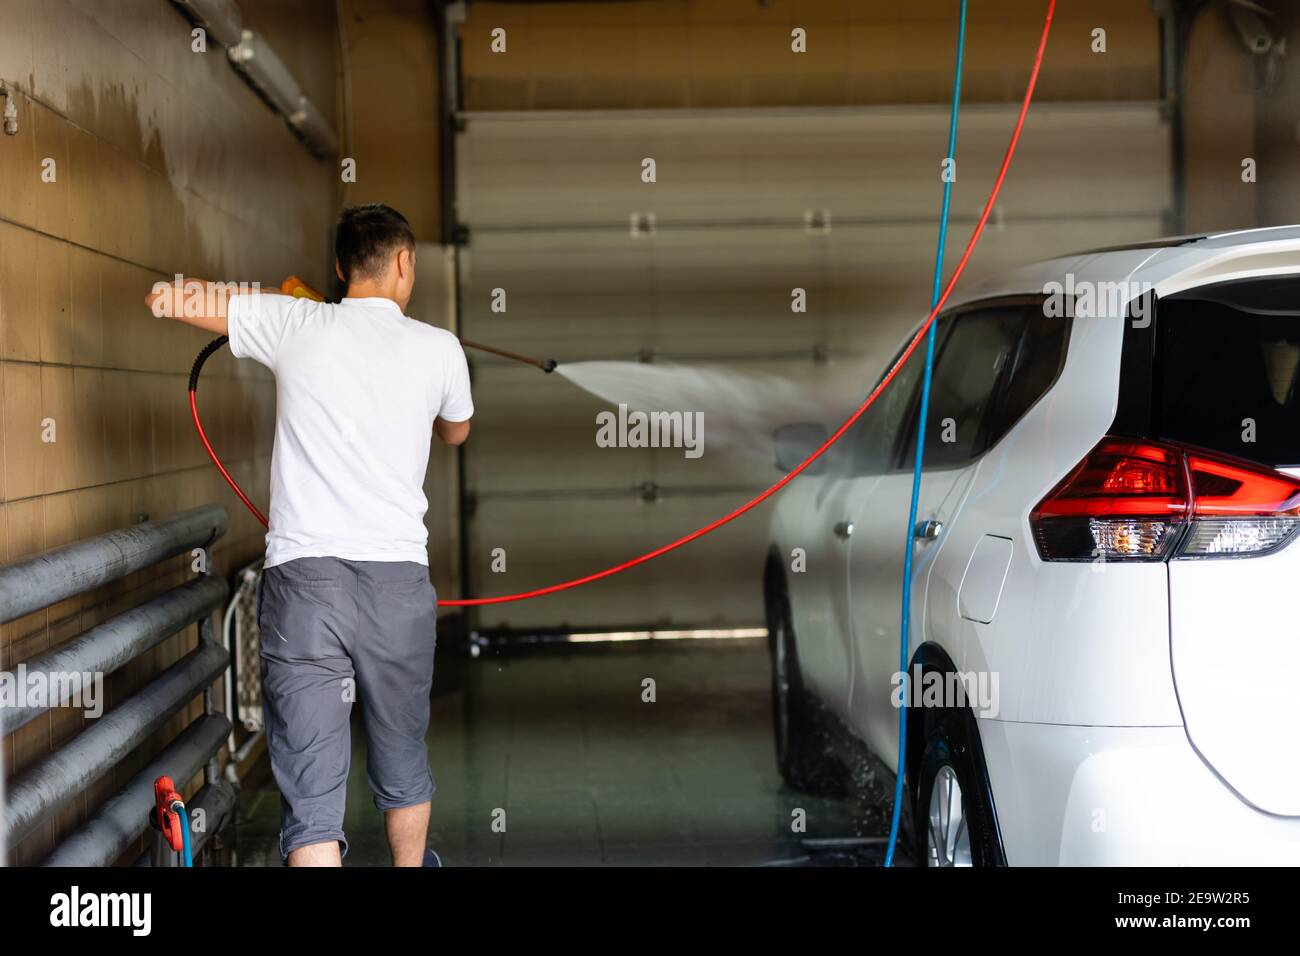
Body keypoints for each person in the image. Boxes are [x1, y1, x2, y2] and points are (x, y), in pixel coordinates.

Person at [146, 203, 473, 866]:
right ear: (405, 263)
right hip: (395, 587)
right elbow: (457, 431)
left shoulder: (294, 321)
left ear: (338, 267)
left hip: (305, 588)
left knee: (313, 796)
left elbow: (165, 298)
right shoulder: (441, 348)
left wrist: (273, 304)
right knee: (402, 750)